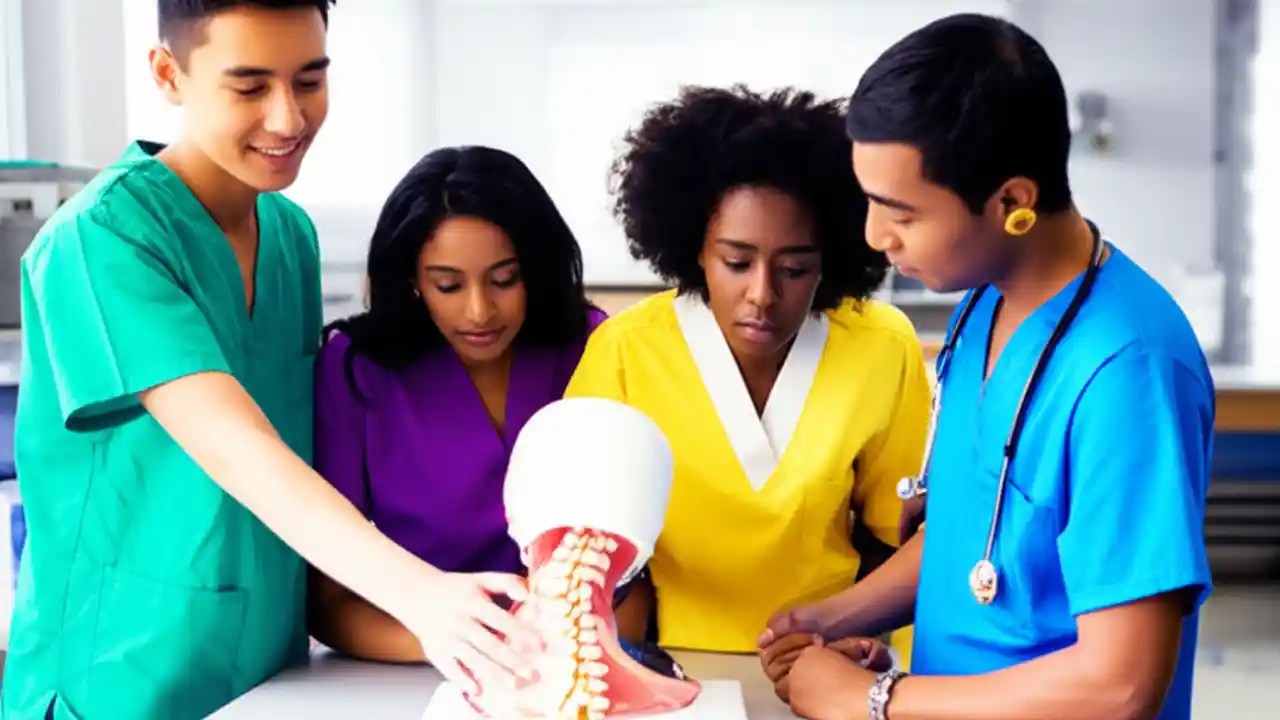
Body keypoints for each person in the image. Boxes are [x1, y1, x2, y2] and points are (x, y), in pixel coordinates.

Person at [4, 4, 538, 719]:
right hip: (117, 678)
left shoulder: (289, 235)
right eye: (250, 87)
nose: (288, 118)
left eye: (309, 80)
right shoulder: (101, 241)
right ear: (169, 74)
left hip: (269, 676)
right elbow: (239, 447)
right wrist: (422, 595)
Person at [758, 13, 1214, 720]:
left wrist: (877, 700)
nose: (874, 236)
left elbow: (1119, 685)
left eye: (899, 212)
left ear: (1012, 203)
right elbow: (978, 538)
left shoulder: (1127, 371)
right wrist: (833, 618)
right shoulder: (980, 309)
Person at [565, 84, 931, 658]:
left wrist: (899, 674)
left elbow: (908, 542)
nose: (762, 293)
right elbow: (580, 550)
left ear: (830, 257)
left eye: (793, 267)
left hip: (829, 661)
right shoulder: (625, 352)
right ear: (694, 250)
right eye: (736, 262)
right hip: (668, 665)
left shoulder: (881, 347)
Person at [309, 145, 606, 663]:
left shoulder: (593, 347)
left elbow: (640, 572)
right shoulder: (357, 369)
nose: (479, 311)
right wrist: (469, 647)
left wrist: (571, 653)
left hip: (579, 664)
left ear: (535, 269)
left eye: (504, 279)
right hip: (422, 663)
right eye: (448, 284)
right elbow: (329, 603)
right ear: (412, 281)